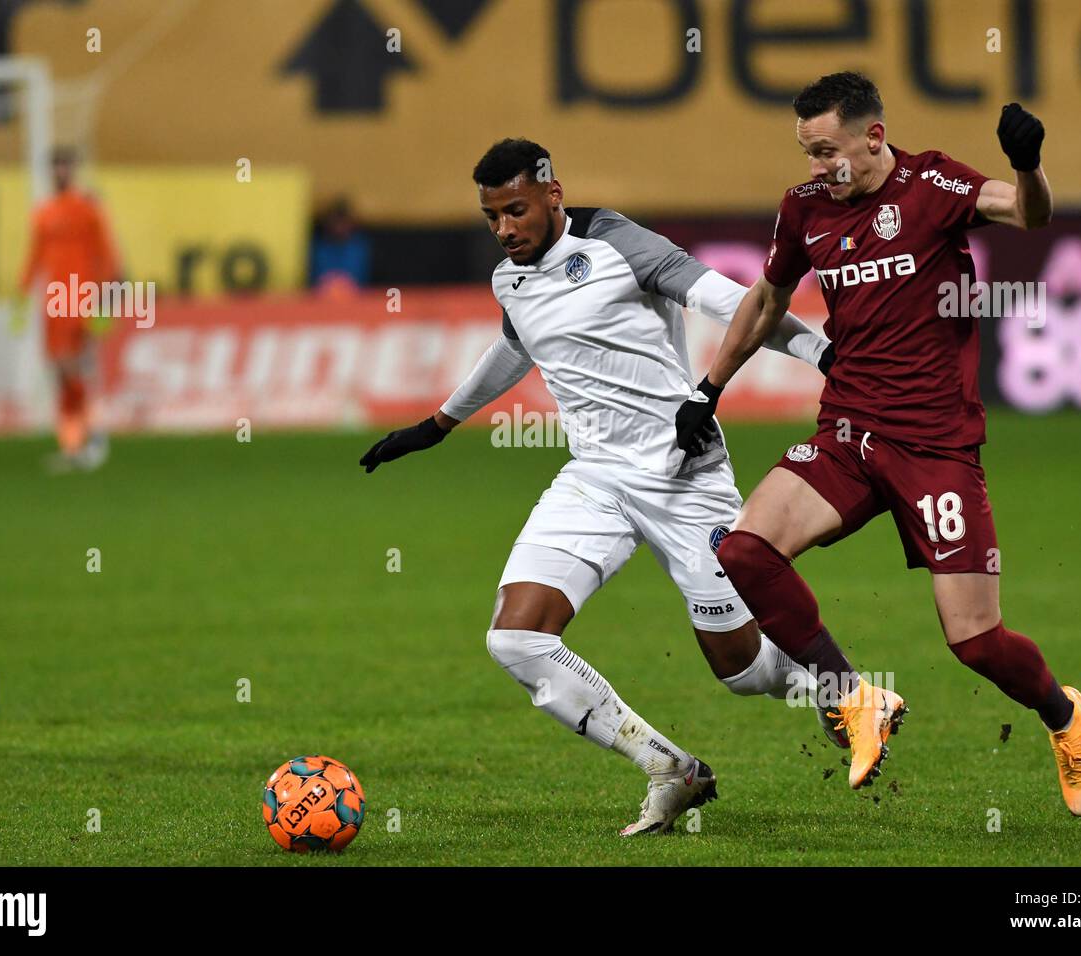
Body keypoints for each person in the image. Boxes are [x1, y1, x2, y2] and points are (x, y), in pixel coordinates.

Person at [361, 139, 842, 836]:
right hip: (594, 479)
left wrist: (819, 350)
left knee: (738, 667)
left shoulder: (617, 242)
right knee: (516, 639)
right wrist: (438, 424)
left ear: (553, 194)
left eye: (516, 211)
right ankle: (670, 768)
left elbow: (733, 301)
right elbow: (517, 347)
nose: (504, 230)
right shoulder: (512, 280)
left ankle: (827, 689)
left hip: (684, 476)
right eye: (491, 217)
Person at [675, 73, 1081, 815]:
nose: (818, 169)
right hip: (846, 432)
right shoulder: (804, 210)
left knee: (975, 642)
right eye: (808, 153)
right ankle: (854, 698)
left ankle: (1063, 716)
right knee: (744, 551)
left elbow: (1028, 215)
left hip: (936, 447)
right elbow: (765, 303)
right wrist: (706, 389)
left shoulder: (932, 183)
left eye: (829, 152)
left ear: (874, 137)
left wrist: (1029, 165)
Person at [16, 147, 119, 471]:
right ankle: (74, 445)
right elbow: (35, 257)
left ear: (73, 169)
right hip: (53, 303)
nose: (60, 171)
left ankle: (94, 438)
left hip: (80, 297)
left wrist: (105, 301)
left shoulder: (88, 209)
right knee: (61, 373)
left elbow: (107, 256)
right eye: (55, 165)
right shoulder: (44, 212)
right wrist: (21, 298)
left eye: (65, 165)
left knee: (76, 368)